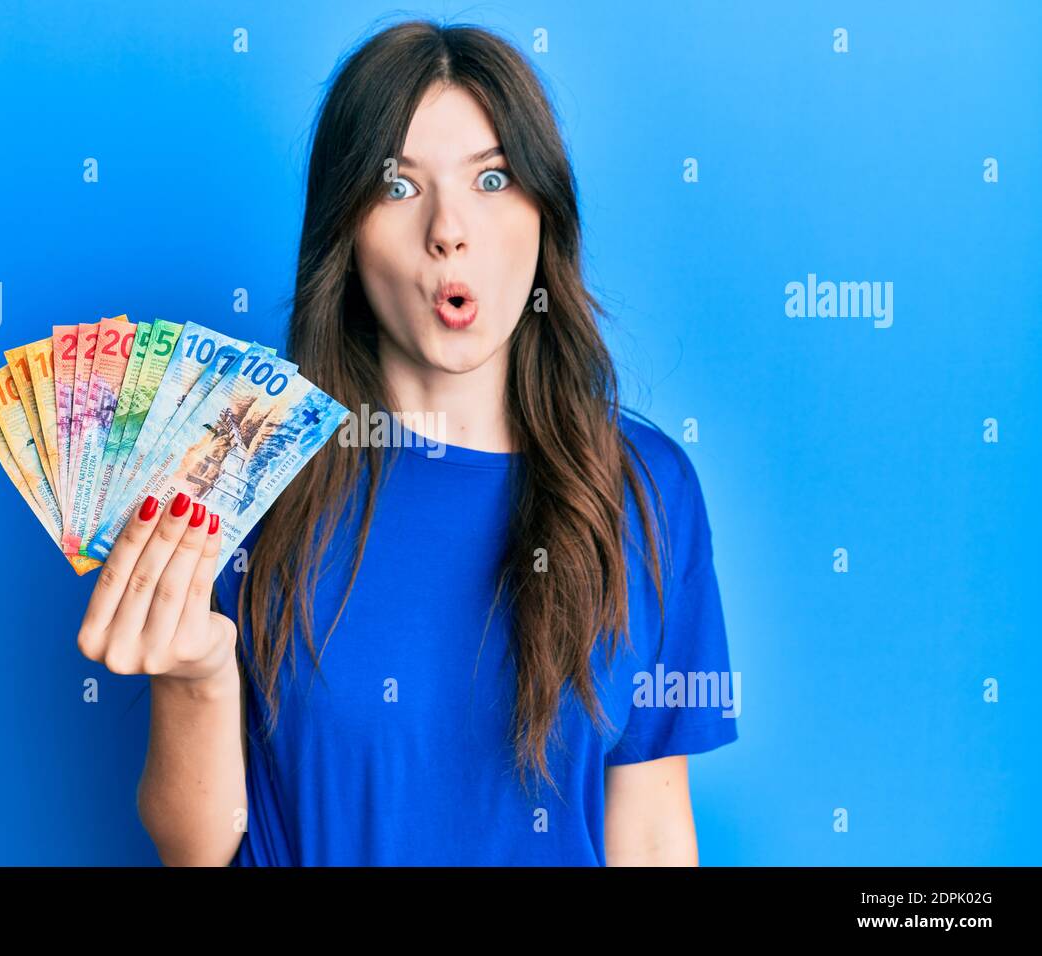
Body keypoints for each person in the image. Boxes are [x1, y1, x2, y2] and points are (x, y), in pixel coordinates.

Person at [76, 19, 738, 866]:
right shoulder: (238, 474)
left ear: (545, 212)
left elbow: (648, 832)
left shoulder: (647, 489)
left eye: (492, 178)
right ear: (345, 232)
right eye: (397, 187)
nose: (448, 229)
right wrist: (193, 677)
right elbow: (196, 846)